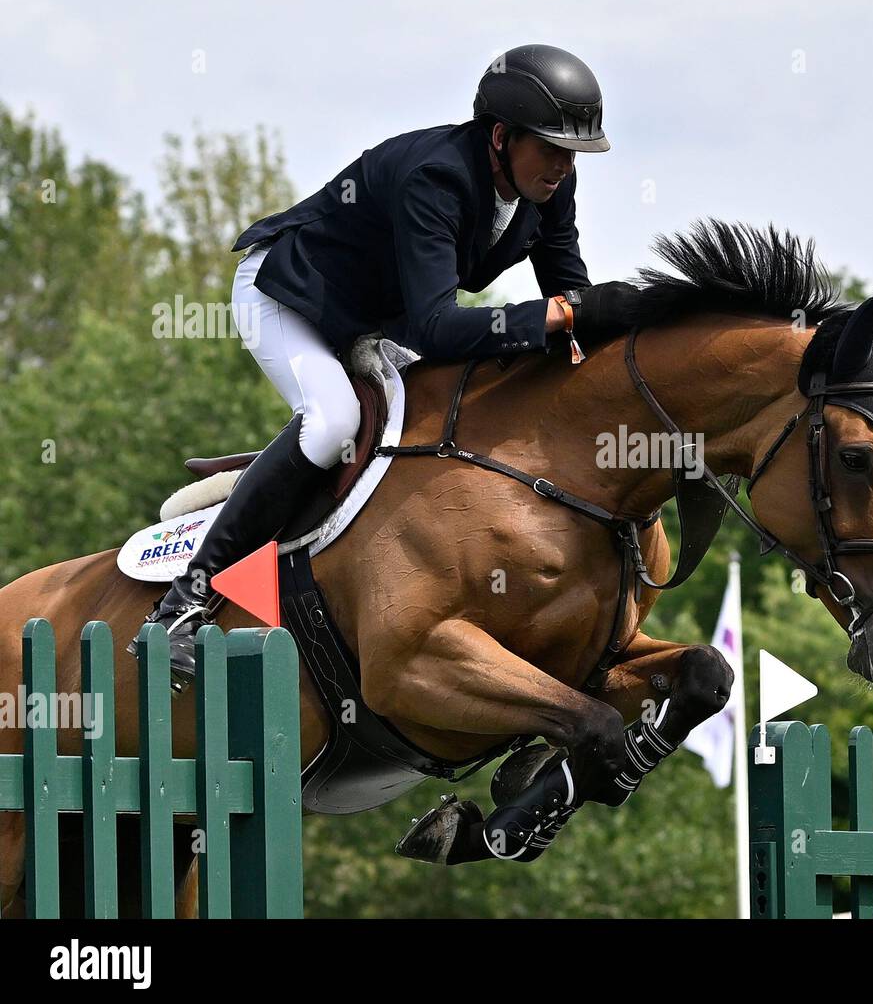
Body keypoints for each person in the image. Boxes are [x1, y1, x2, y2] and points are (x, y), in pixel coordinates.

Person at [137, 43, 639, 691]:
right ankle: (183, 602)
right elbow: (439, 326)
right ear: (500, 137)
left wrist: (603, 332)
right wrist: (560, 316)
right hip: (289, 295)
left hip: (373, 318)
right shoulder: (436, 177)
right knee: (333, 422)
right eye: (552, 148)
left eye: (574, 152)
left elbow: (569, 293)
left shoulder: (549, 187)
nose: (565, 166)